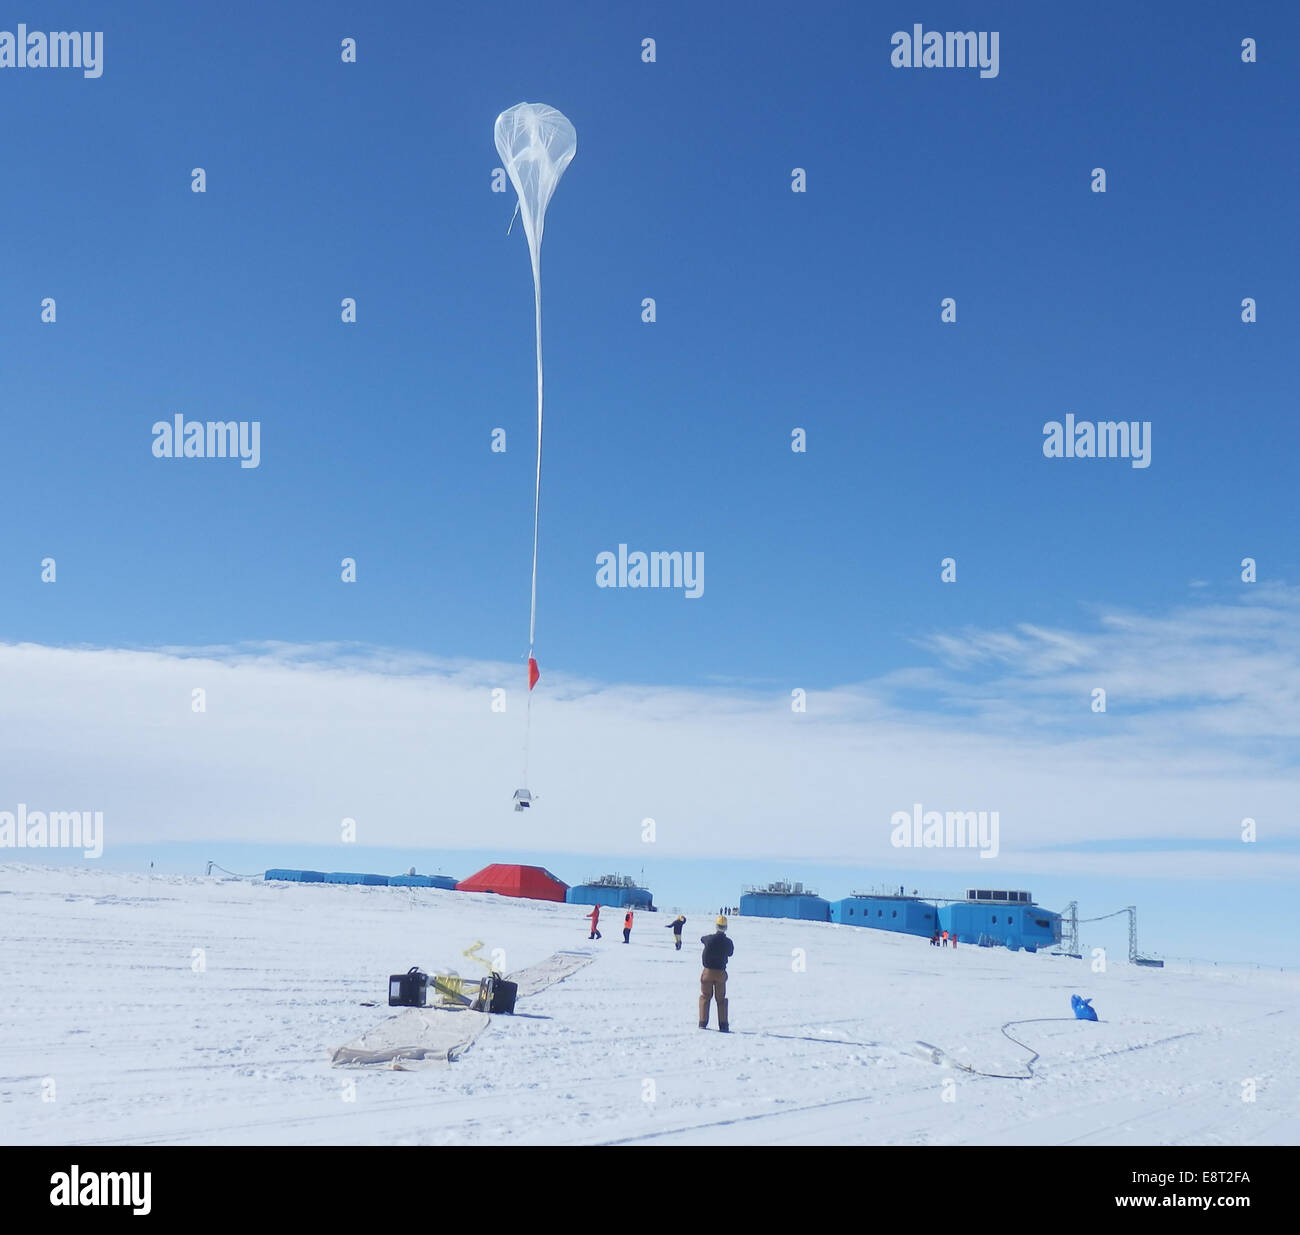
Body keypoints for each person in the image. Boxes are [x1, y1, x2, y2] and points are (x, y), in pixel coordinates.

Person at [699, 916, 734, 1031]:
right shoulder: (728, 942)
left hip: (708, 972)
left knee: (705, 997)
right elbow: (730, 953)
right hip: (720, 973)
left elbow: (702, 939)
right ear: (726, 927)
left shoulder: (710, 939)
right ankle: (723, 1025)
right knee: (721, 1000)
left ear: (716, 926)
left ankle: (702, 1023)